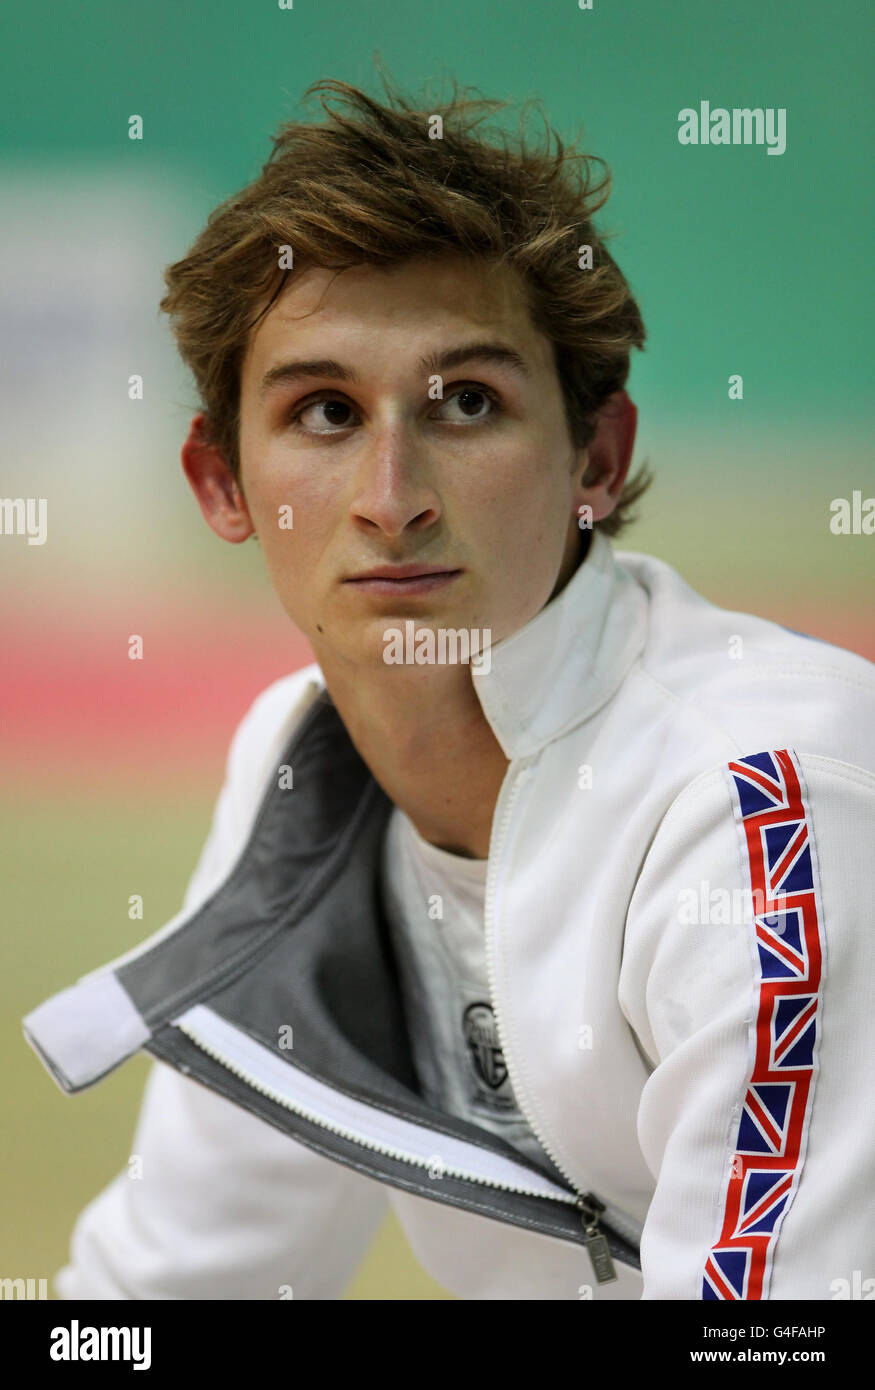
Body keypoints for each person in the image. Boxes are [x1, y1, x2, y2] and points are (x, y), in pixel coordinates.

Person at [23, 77, 875, 1301]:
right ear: (221, 484)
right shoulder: (301, 769)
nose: (390, 497)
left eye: (466, 403)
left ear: (594, 459)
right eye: (324, 411)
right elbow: (169, 1291)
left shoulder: (758, 804)